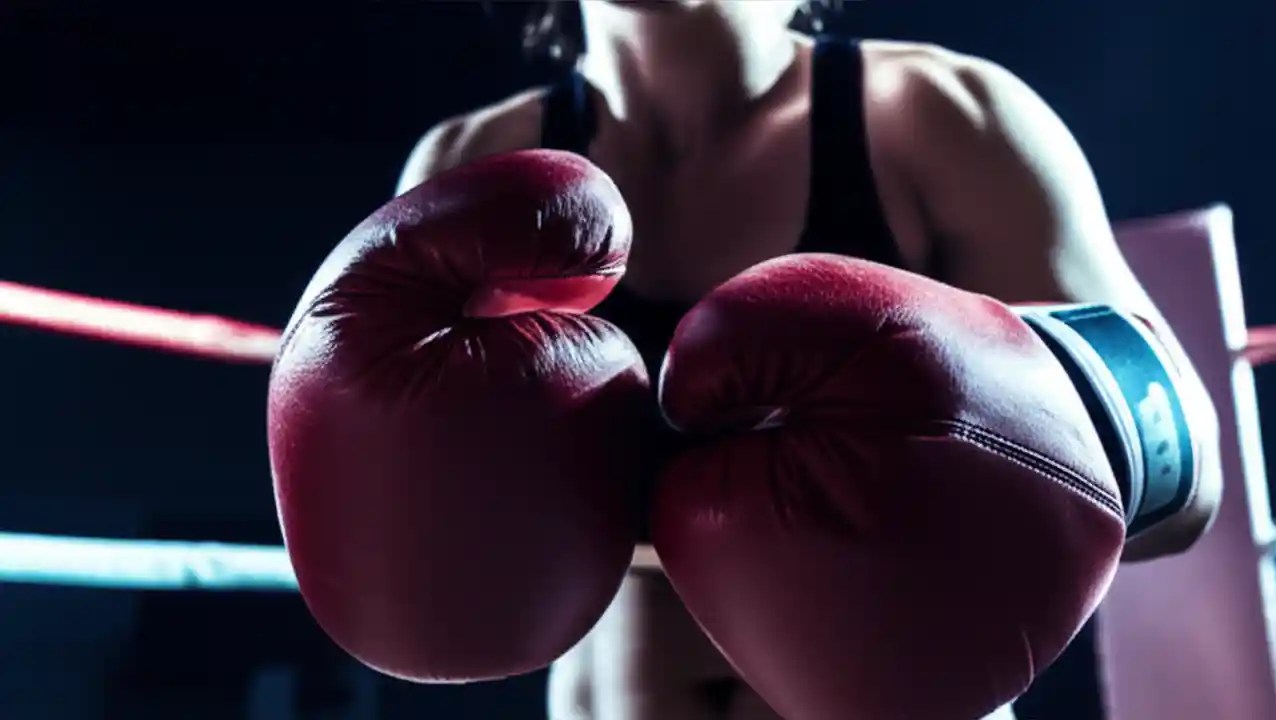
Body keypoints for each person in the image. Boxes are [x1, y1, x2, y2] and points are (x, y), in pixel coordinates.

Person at [392, 2, 1223, 718]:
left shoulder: (937, 119)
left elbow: (1175, 481)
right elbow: (400, 534)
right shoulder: (470, 169)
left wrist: (950, 449)